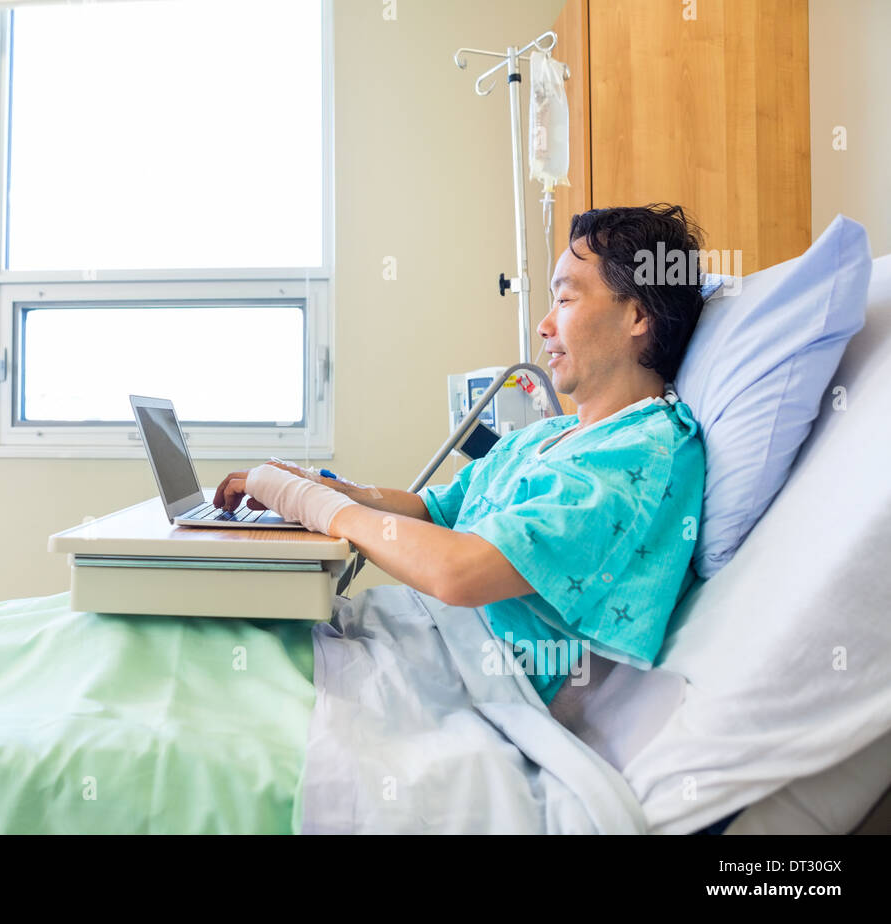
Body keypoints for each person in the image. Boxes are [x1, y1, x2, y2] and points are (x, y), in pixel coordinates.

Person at [213, 203, 708, 705]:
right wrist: (320, 487)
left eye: (564, 300)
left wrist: (316, 508)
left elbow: (460, 572)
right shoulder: (545, 436)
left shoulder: (643, 453)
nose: (543, 325)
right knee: (209, 636)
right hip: (414, 636)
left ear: (637, 315)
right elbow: (435, 510)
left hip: (468, 680)